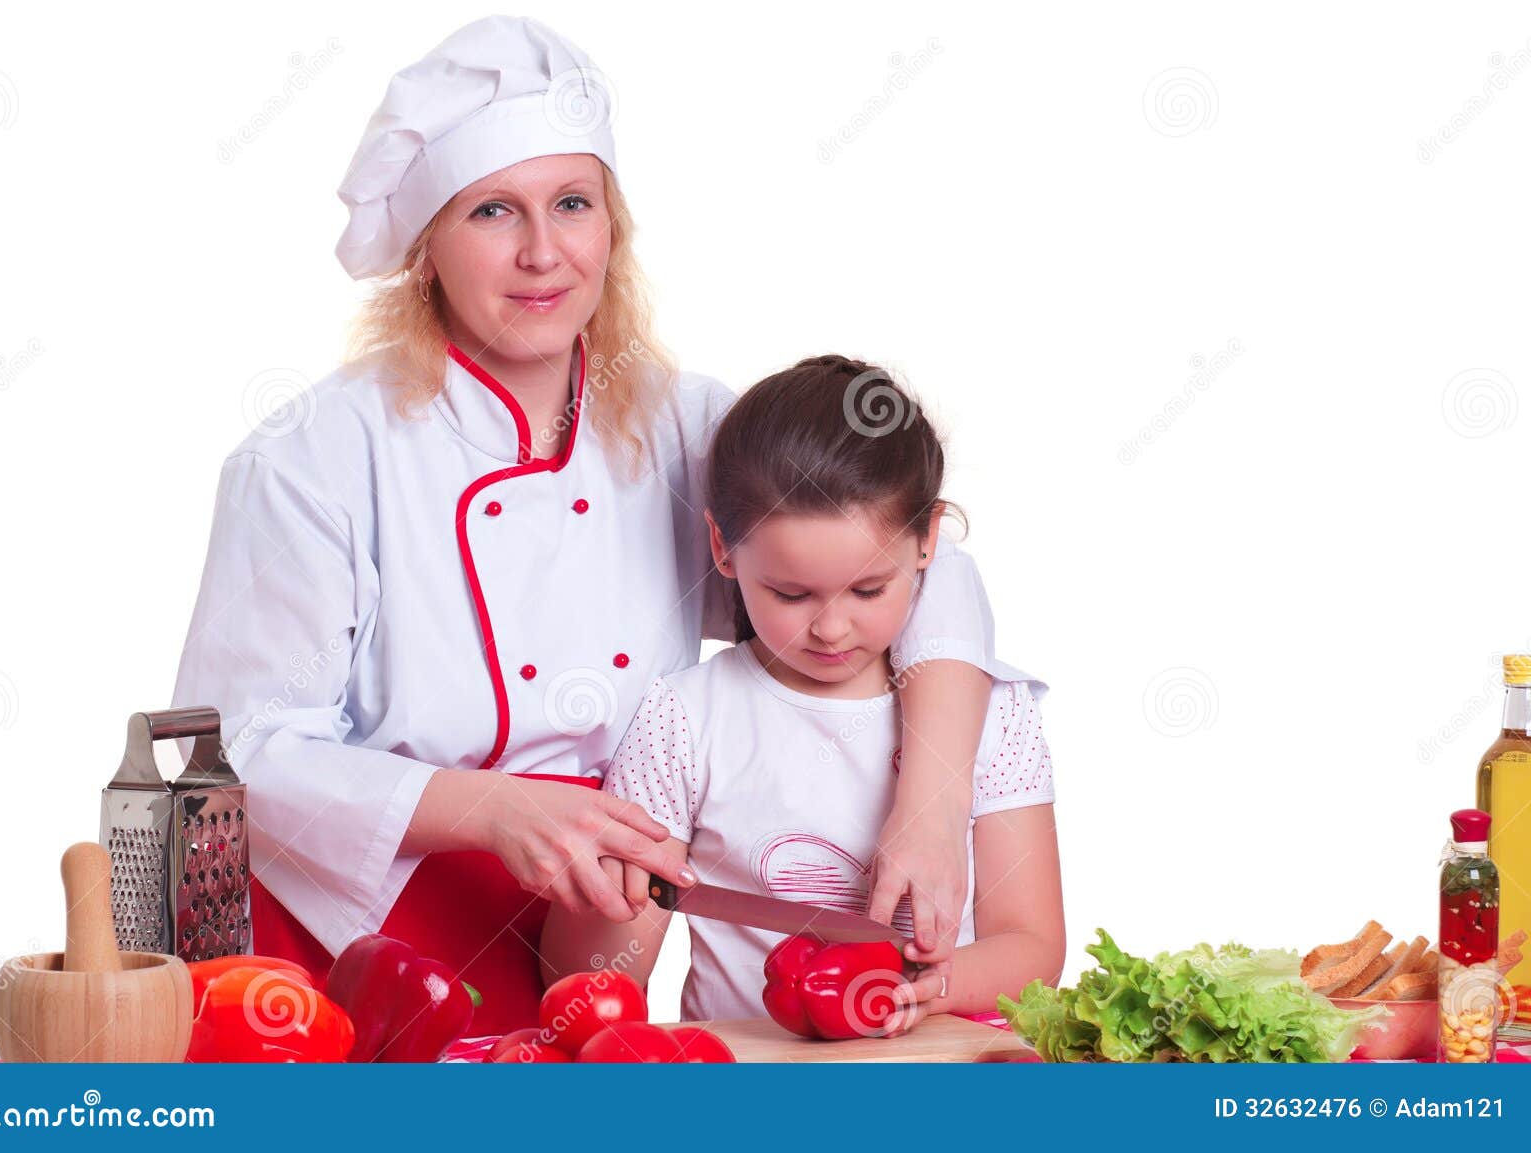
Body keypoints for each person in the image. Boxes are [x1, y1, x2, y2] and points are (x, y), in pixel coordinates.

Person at [171, 16, 1010, 1035]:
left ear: (612, 227)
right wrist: (494, 809)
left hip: (594, 923)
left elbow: (910, 556)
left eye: (572, 204)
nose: (541, 253)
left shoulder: (683, 424)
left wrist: (928, 812)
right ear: (427, 247)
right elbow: (240, 752)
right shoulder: (314, 456)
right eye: (491, 211)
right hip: (350, 938)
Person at [541, 355, 1065, 1033]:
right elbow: (590, 981)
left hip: (939, 1070)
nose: (831, 626)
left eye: (870, 588)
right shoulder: (684, 715)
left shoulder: (991, 713)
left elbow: (1034, 944)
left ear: (929, 540)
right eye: (789, 593)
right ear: (723, 550)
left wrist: (937, 986)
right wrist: (606, 899)